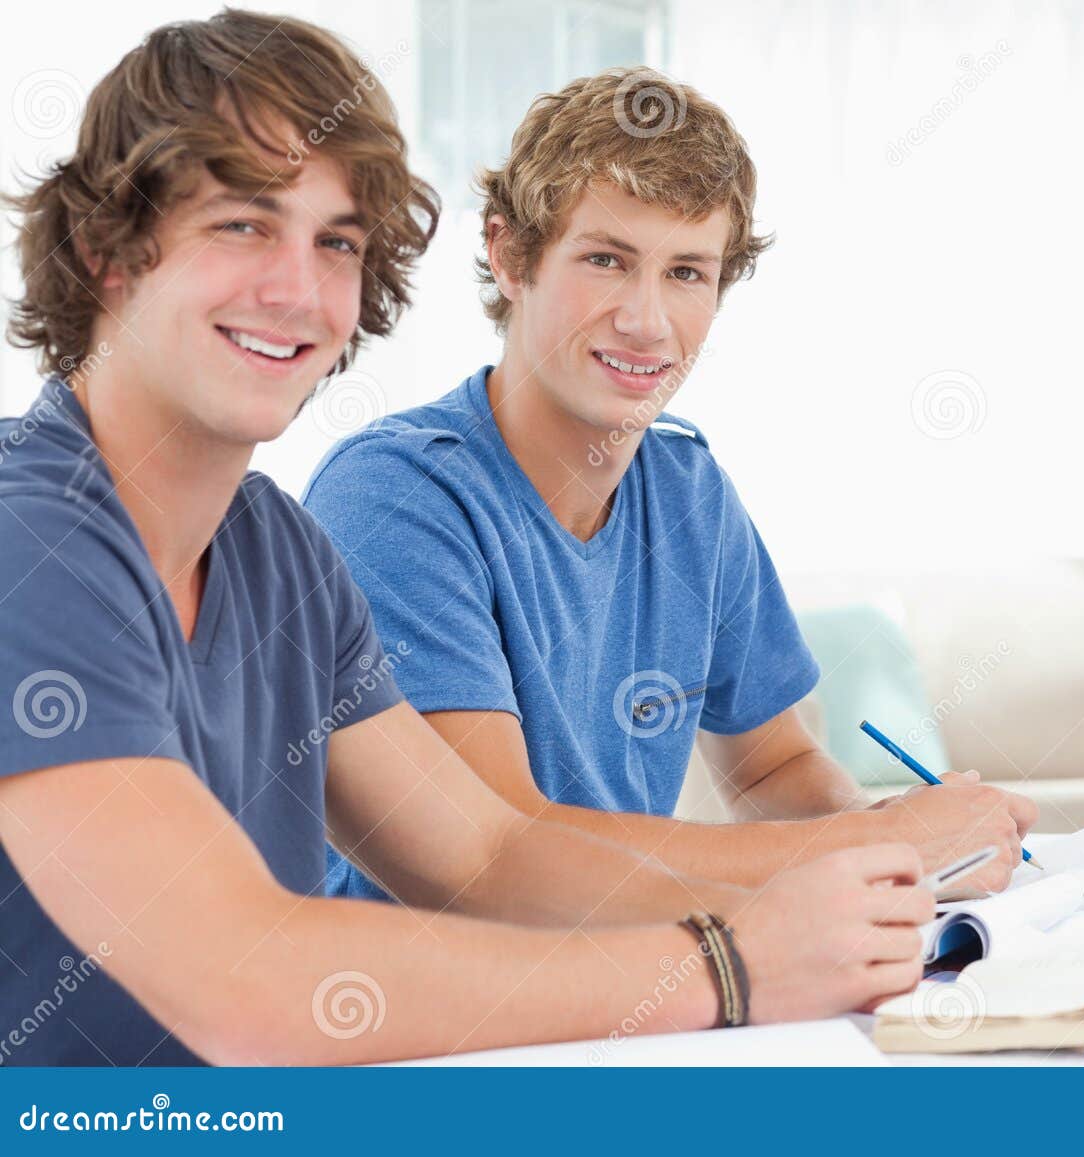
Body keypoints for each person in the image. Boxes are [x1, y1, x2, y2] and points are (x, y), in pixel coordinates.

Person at [0, 11, 931, 1067]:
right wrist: (729, 966)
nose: (297, 289)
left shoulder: (277, 553)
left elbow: (488, 855)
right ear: (105, 252)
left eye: (336, 242)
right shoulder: (29, 538)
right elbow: (247, 977)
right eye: (242, 226)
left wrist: (821, 893)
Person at [305, 68, 1038, 904]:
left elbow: (772, 767)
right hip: (435, 980)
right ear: (508, 255)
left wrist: (909, 845)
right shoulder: (396, 497)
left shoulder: (692, 496)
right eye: (605, 260)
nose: (647, 321)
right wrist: (880, 840)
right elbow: (503, 854)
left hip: (628, 960)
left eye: (687, 272)